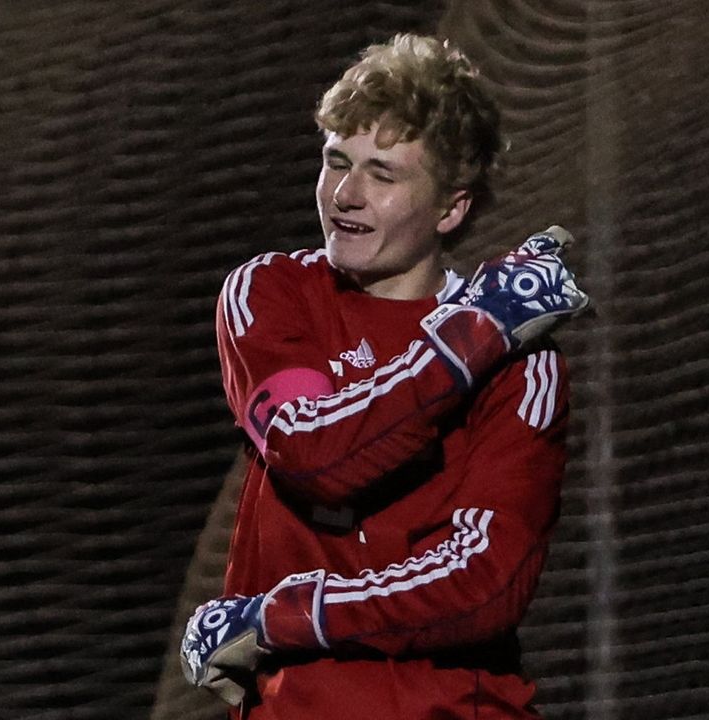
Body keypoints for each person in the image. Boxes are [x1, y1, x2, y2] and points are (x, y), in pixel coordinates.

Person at [181, 33, 589, 719]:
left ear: (451, 208)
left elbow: (482, 585)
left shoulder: (525, 361)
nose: (345, 194)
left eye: (383, 174)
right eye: (336, 162)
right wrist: (468, 342)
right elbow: (314, 454)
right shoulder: (271, 293)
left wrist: (282, 618)